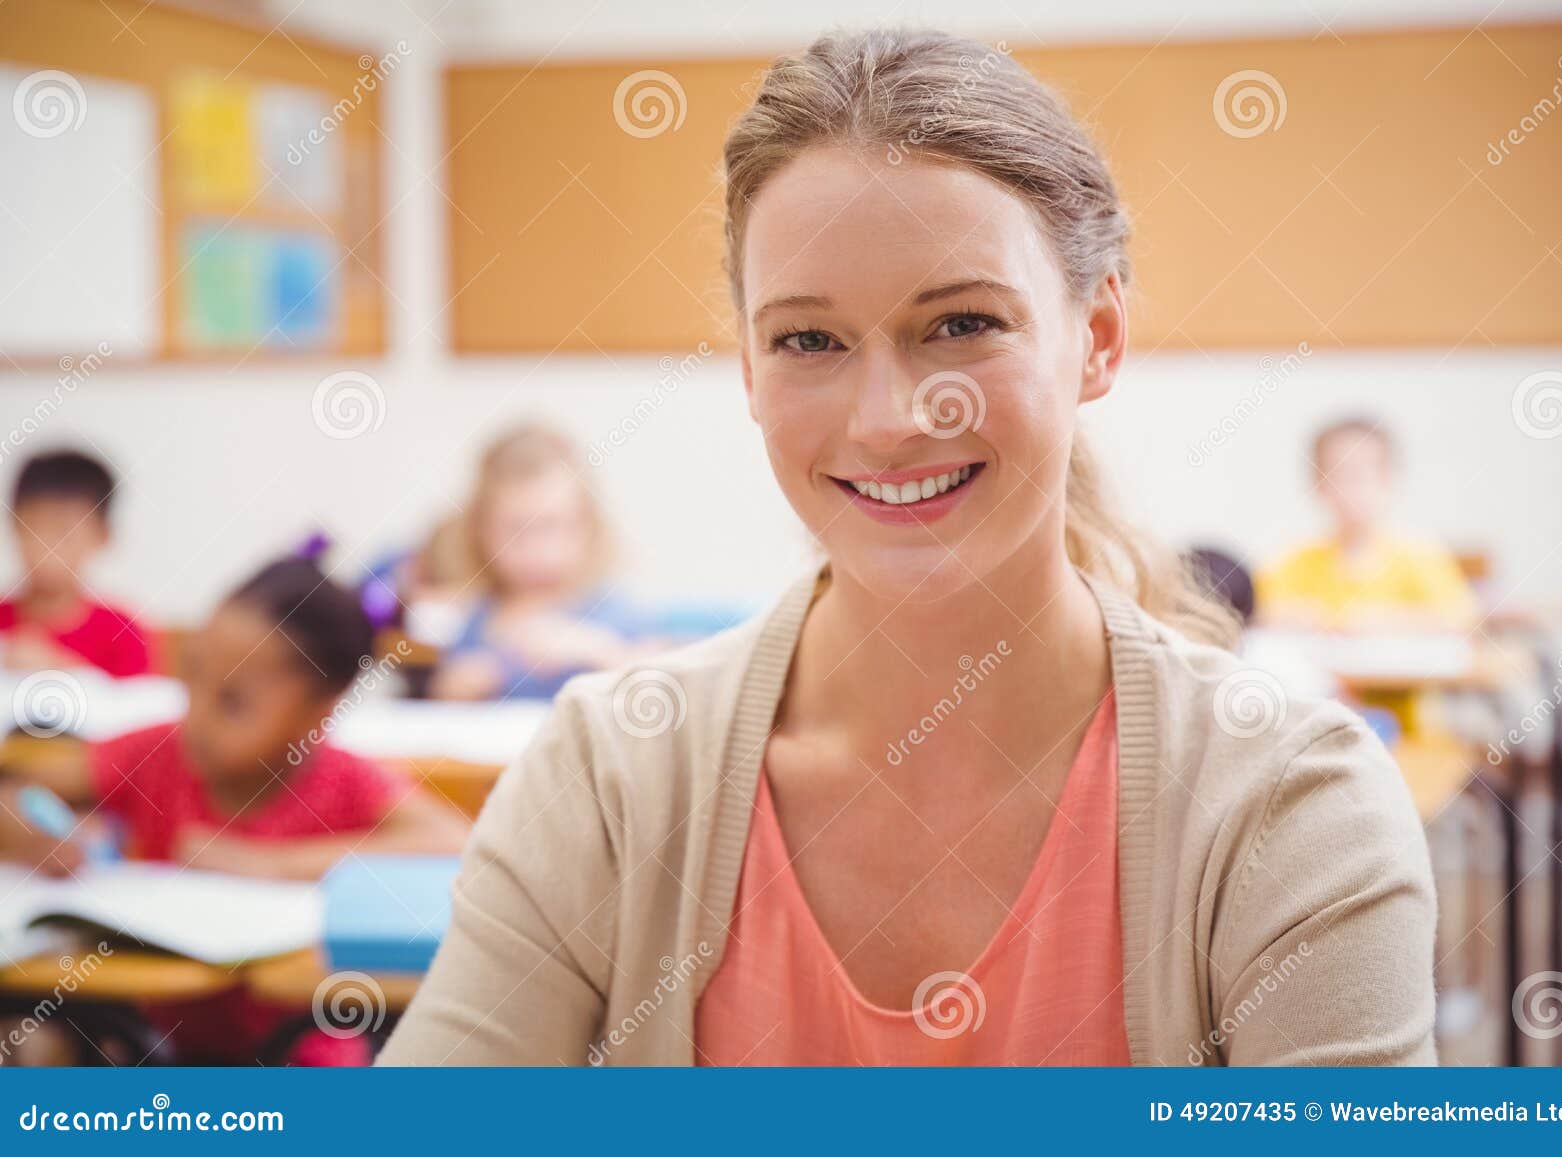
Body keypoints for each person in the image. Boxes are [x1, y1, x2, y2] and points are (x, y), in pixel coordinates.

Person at [380, 29, 1436, 1067]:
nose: (887, 417)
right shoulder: (609, 781)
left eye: (962, 322)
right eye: (807, 339)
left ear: (1097, 337)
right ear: (749, 367)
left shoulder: (1290, 805)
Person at [0, 554, 469, 1064]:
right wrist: (22, 830)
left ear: (318, 712)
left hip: (304, 1039)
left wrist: (273, 865)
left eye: (232, 702)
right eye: (192, 672)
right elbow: (21, 788)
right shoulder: (159, 752)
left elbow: (457, 840)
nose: (196, 715)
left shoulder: (340, 778)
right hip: (156, 1040)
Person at [426, 424, 652, 701]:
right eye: (514, 530)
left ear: (587, 525)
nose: (535, 550)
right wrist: (457, 685)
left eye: (551, 526)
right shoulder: (477, 616)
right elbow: (441, 697)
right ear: (481, 531)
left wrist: (597, 650)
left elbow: (656, 688)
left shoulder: (612, 611)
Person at [1255, 417, 1477, 633]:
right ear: (1318, 484)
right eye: (1338, 474)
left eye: (1364, 474)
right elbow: (1260, 613)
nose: (1352, 488)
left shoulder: (1421, 555)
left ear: (1388, 479)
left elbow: (1463, 619)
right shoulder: (1294, 560)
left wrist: (1387, 622)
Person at [0, 450, 151, 677]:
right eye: (30, 528)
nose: (44, 547)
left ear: (102, 536)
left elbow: (144, 704)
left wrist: (60, 668)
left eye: (63, 533)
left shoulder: (123, 632)